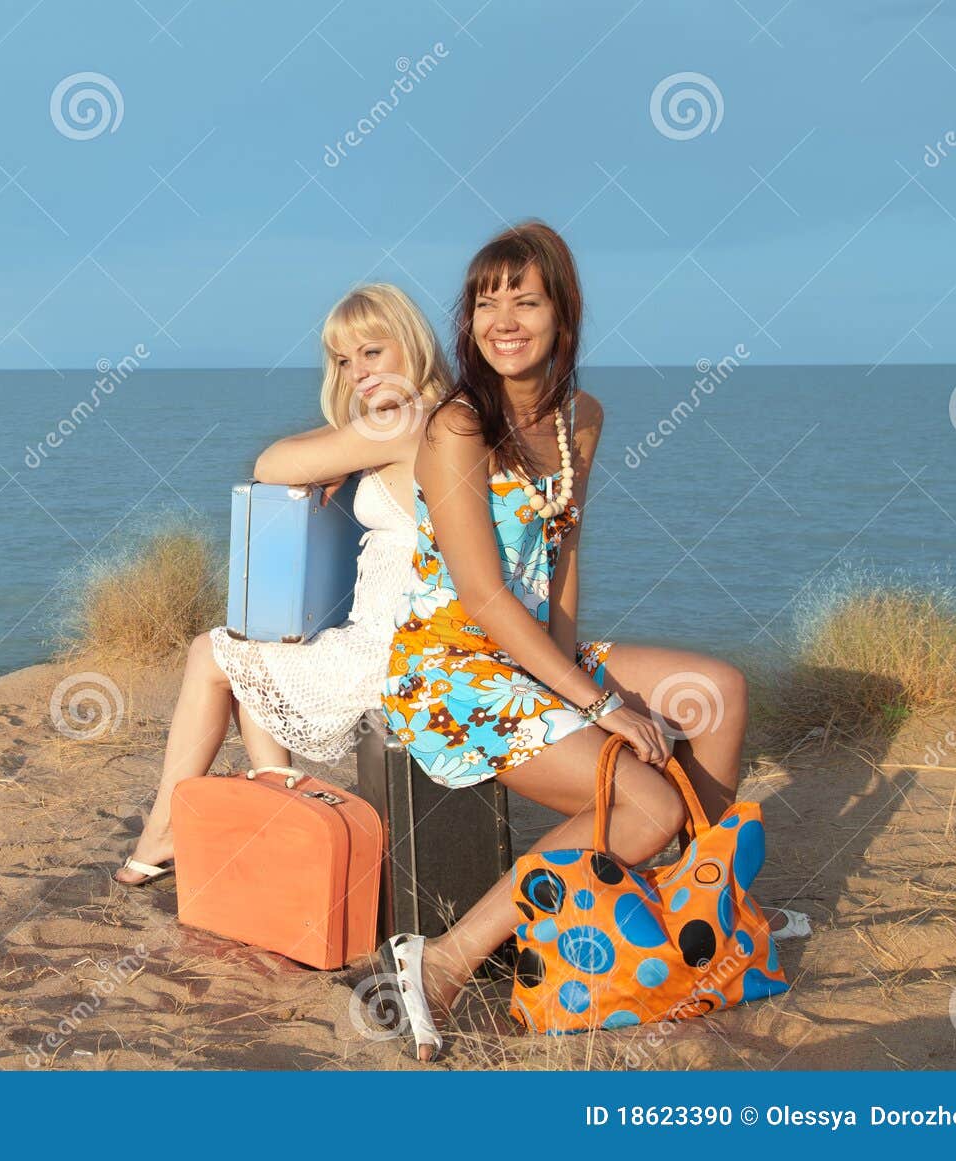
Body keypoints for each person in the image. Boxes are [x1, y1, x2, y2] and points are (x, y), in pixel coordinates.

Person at [378, 222, 754, 1061]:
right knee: (648, 803)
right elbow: (480, 596)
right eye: (486, 301)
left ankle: (698, 912)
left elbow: (562, 557)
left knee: (718, 691)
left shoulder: (581, 416)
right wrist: (597, 703)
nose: (503, 318)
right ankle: (438, 962)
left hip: (535, 650)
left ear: (564, 315)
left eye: (526, 298)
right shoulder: (457, 427)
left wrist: (585, 680)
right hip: (452, 665)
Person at [114, 284, 452, 884]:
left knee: (212, 652)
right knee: (251, 660)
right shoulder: (440, 415)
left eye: (372, 353)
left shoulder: (404, 419)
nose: (357, 374)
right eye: (344, 362)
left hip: (398, 650)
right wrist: (344, 457)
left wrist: (338, 456)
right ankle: (279, 822)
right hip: (408, 634)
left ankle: (168, 826)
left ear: (413, 344)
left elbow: (270, 464)